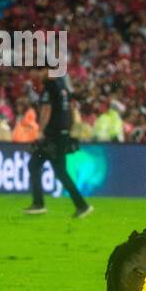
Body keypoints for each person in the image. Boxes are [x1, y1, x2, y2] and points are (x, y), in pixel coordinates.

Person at [23, 69, 92, 218]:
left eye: (40, 70)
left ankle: (39, 204)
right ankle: (82, 205)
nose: (38, 74)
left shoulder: (50, 86)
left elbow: (47, 110)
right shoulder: (63, 86)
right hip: (62, 134)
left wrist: (40, 131)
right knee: (60, 171)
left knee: (34, 165)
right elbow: (72, 108)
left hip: (52, 136)